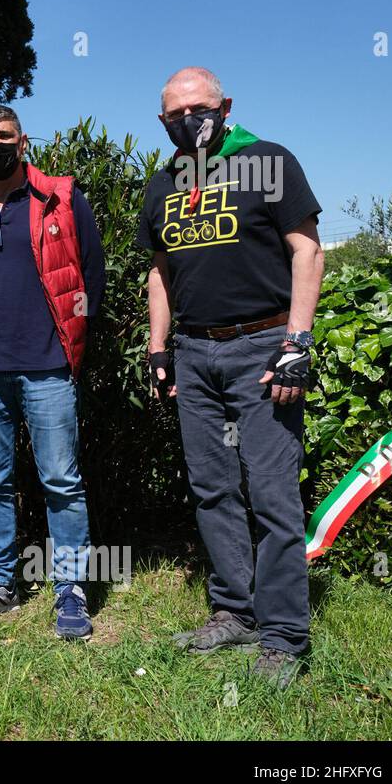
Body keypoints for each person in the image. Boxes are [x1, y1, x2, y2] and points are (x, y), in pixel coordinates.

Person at [137, 66, 324, 687]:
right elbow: (160, 272)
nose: (186, 120)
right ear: (162, 121)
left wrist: (298, 342)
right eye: (173, 114)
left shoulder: (267, 162)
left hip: (263, 348)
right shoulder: (164, 182)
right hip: (194, 353)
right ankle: (236, 612)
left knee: (271, 492)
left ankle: (284, 635)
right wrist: (158, 348)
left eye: (197, 108)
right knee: (213, 488)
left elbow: (307, 250)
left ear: (225, 106)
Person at [0, 105, 106, 640]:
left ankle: (71, 589)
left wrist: (74, 336)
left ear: (24, 141)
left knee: (61, 480)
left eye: (5, 135)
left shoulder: (61, 197)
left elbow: (92, 273)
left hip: (48, 365)